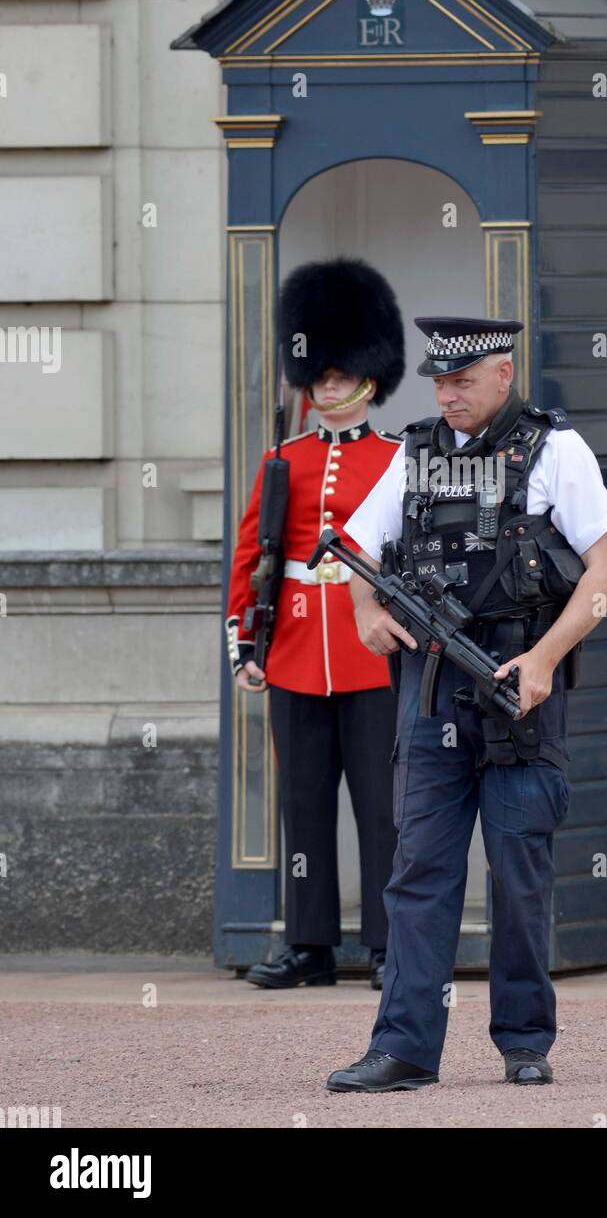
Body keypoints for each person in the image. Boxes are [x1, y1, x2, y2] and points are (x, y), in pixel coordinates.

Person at [324, 315, 607, 1090]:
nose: (446, 395)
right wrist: (366, 613)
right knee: (419, 869)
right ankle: (403, 1048)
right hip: (432, 691)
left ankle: (525, 1042)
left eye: (462, 381)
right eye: (439, 382)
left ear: (503, 373)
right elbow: (356, 548)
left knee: (518, 869)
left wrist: (543, 659)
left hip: (520, 684)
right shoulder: (416, 451)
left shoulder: (554, 449)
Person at [225, 257, 405, 991]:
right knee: (303, 806)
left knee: (381, 808)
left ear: (369, 376)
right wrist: (246, 641)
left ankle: (391, 943)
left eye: (340, 373)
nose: (328, 385)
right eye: (320, 375)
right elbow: (249, 555)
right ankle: (309, 943)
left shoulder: (399, 460)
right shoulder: (283, 458)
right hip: (296, 648)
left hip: (372, 652)